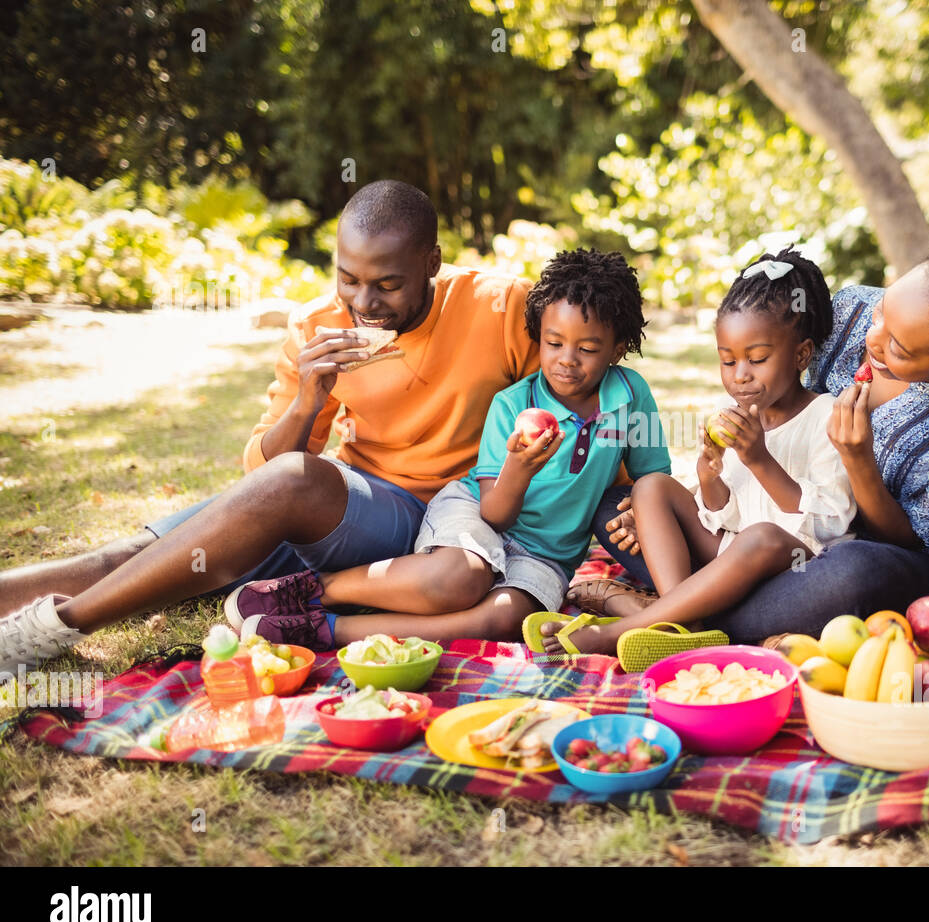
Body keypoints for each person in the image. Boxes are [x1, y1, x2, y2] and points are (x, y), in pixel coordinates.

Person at [0, 180, 541, 672]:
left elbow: (563, 411)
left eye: (388, 285)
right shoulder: (315, 325)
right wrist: (308, 400)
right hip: (343, 514)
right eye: (348, 279)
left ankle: (61, 627)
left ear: (432, 263)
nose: (364, 304)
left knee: (293, 482)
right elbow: (259, 470)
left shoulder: (500, 307)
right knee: (138, 556)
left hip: (444, 522)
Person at [578, 206, 929, 644]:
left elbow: (910, 540)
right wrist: (693, 497)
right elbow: (773, 411)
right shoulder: (847, 313)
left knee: (852, 573)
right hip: (754, 529)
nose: (873, 340)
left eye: (901, 350)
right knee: (618, 505)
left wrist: (859, 461)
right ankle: (693, 611)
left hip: (850, 556)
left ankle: (665, 612)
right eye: (883, 313)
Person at [221, 249, 671, 648]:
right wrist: (518, 467)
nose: (566, 359)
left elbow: (653, 476)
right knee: (457, 580)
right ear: (538, 338)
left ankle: (326, 630)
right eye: (553, 343)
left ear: (618, 349)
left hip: (549, 553)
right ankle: (322, 587)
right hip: (477, 511)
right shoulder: (514, 405)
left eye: (588, 348)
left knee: (506, 619)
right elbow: (495, 513)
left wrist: (634, 508)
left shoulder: (632, 397)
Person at [542, 248, 854, 655]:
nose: (740, 375)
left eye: (757, 359)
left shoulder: (825, 416)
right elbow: (727, 516)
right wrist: (710, 480)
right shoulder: (738, 418)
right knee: (650, 487)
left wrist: (760, 460)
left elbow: (828, 521)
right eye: (728, 361)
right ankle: (681, 621)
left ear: (801, 355)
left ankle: (626, 628)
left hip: (796, 563)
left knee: (761, 538)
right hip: (729, 554)